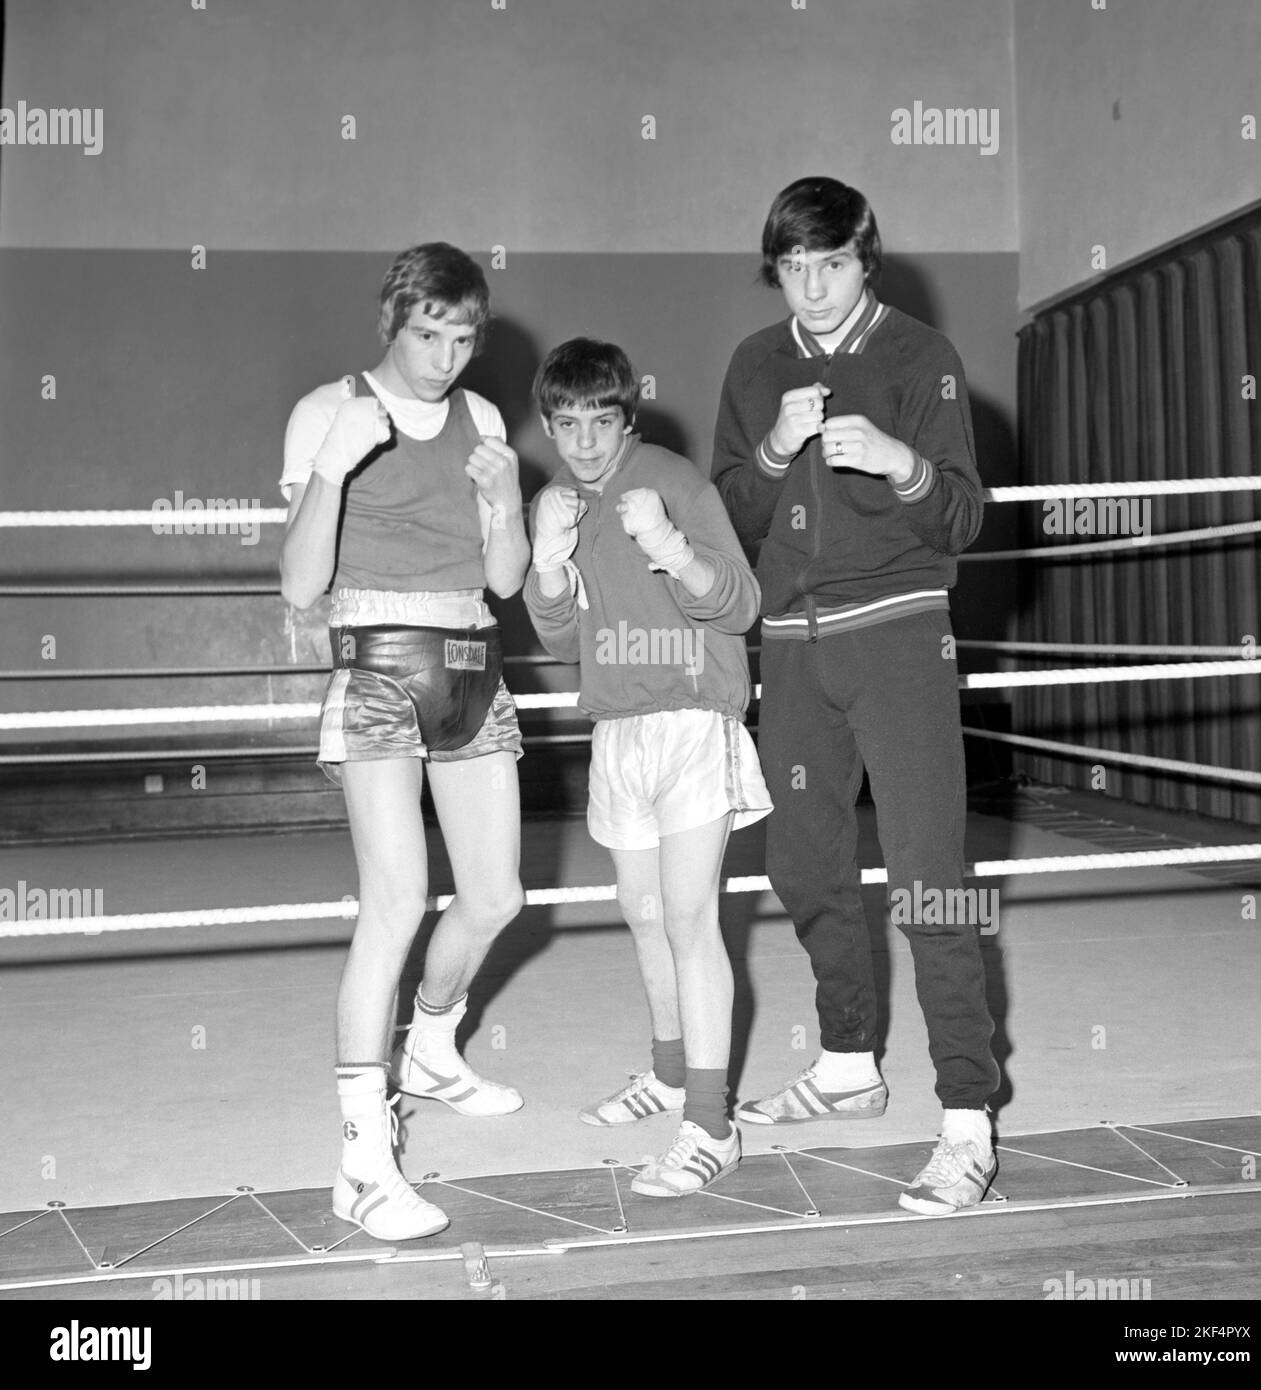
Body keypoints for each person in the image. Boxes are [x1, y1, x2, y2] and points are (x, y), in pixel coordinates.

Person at [711, 177, 1000, 1215]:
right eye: (792, 266)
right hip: (789, 646)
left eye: (830, 263)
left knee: (931, 877)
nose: (812, 285)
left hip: (898, 638)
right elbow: (731, 506)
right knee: (801, 862)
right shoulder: (754, 364)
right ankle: (847, 1059)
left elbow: (963, 514)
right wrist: (775, 451)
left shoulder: (922, 357)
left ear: (863, 261)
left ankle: (966, 1115)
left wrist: (904, 464)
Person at [279, 243, 530, 1240]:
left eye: (461, 337)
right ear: (392, 321)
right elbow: (299, 583)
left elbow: (507, 580)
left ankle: (431, 1044)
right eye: (426, 335)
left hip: (473, 659)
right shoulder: (326, 409)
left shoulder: (482, 418)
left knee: (496, 895)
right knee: (394, 901)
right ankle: (359, 1163)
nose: (442, 357)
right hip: (377, 660)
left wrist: (506, 502)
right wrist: (332, 473)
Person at [523, 339, 771, 1196]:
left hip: (695, 714)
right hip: (618, 724)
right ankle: (670, 1073)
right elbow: (563, 641)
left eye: (601, 421)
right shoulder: (557, 502)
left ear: (628, 416)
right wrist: (548, 566)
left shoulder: (676, 478)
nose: (585, 442)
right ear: (549, 425)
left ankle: (711, 1124)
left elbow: (741, 604)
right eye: (566, 425)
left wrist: (669, 544)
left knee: (691, 916)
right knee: (643, 910)